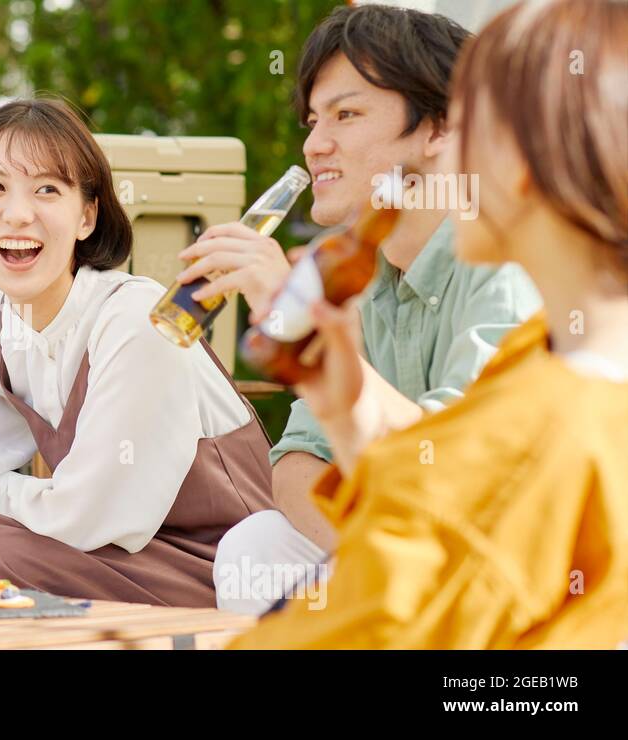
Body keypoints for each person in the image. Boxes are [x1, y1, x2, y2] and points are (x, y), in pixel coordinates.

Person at [233, 0, 627, 649]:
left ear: (523, 163)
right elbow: (430, 495)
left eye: (467, 128)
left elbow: (421, 593)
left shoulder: (560, 411)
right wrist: (346, 404)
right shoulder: (548, 353)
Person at [179, 5, 541, 615]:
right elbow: (296, 466)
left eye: (346, 115)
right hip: (416, 549)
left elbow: (458, 465)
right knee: (256, 547)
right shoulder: (353, 268)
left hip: (524, 567)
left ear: (440, 128)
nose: (315, 143)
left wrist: (298, 322)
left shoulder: (505, 263)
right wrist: (375, 554)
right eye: (314, 120)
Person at [0, 98, 274, 607]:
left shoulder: (136, 320)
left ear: (87, 216)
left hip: (220, 572)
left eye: (47, 189)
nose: (19, 214)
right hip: (101, 558)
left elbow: (90, 515)